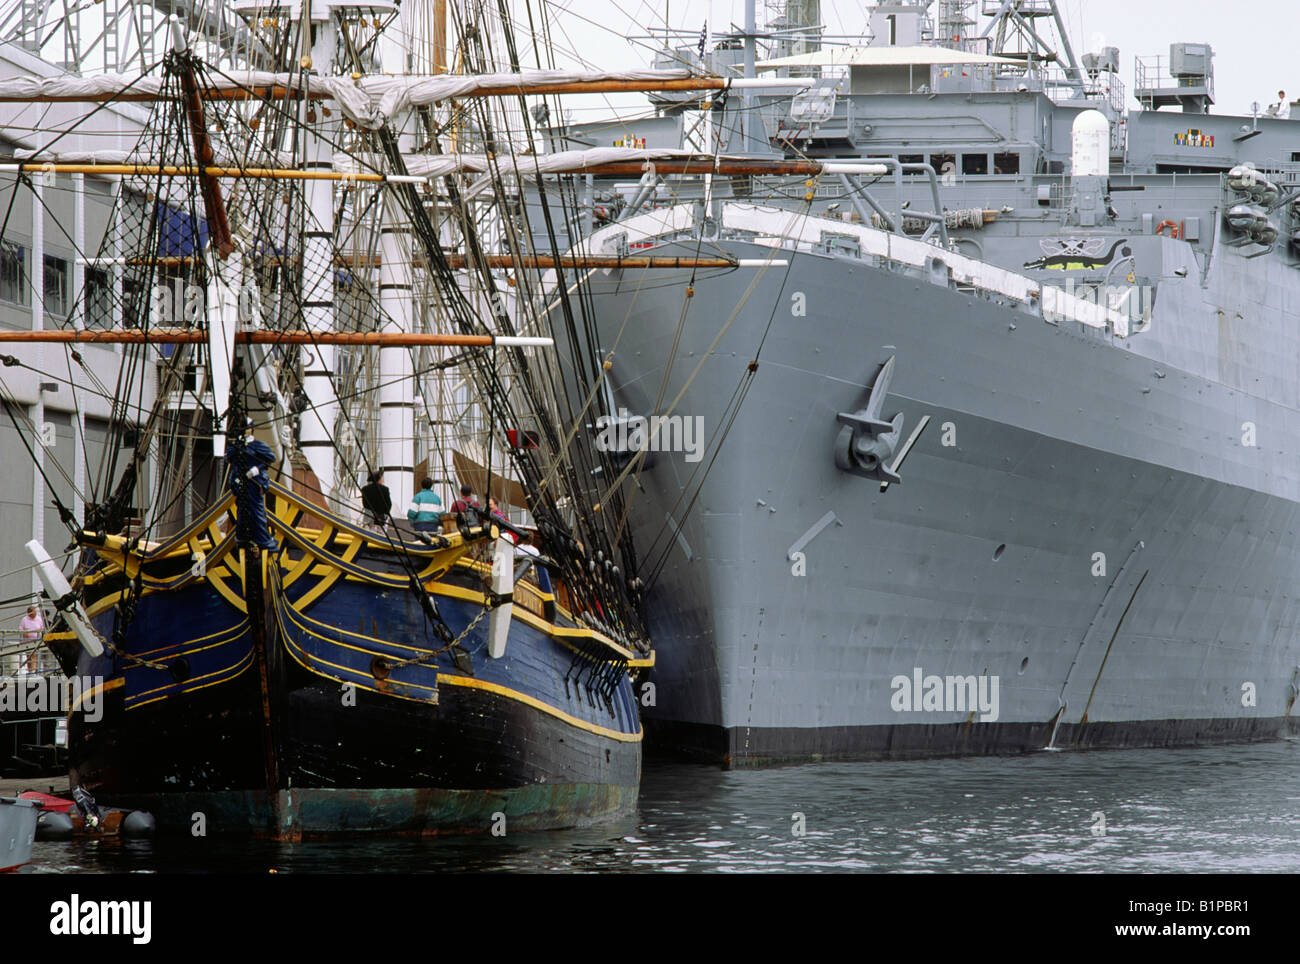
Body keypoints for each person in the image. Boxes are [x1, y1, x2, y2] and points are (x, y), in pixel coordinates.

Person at [225, 426, 278, 550]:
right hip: (240, 481)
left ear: (252, 429)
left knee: (256, 510)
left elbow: (269, 460)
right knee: (242, 509)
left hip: (254, 482)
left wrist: (255, 470)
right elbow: (231, 460)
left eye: (247, 428)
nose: (244, 430)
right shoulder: (236, 446)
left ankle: (262, 539)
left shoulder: (258, 445)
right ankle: (243, 537)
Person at [17, 603, 43, 676]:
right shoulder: (24, 619)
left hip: (36, 641)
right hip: (27, 641)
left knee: (34, 656)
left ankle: (33, 671)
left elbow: (42, 628)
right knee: (29, 657)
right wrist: (24, 633)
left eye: (34, 613)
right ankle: (30, 672)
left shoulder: (39, 619)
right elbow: (20, 628)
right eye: (32, 613)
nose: (34, 615)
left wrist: (40, 634)